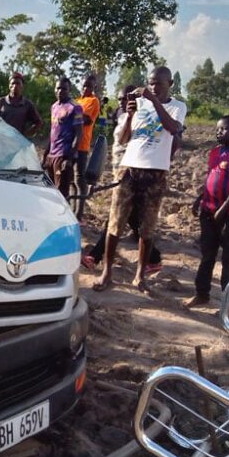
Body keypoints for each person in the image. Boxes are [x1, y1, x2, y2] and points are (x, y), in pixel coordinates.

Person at [94, 66, 186, 291]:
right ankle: (107, 272)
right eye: (151, 82)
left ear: (170, 84)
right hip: (129, 169)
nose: (154, 86)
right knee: (115, 222)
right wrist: (131, 115)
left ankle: (140, 276)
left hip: (155, 173)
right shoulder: (140, 105)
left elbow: (173, 129)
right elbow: (125, 138)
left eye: (159, 83)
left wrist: (153, 100)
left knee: (147, 227)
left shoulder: (177, 106)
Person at [82, 85, 162, 272]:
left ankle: (94, 256)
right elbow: (119, 140)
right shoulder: (123, 117)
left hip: (133, 175)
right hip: (121, 173)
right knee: (132, 219)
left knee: (117, 217)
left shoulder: (144, 120)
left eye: (127, 99)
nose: (122, 103)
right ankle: (154, 258)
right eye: (120, 100)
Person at [186, 115, 229, 307]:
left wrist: (223, 208)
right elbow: (210, 179)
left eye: (224, 129)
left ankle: (227, 303)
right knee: (207, 255)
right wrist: (199, 200)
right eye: (218, 128)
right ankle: (201, 293)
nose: (219, 132)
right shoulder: (215, 153)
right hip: (208, 211)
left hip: (227, 216)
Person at [45, 77, 83, 198]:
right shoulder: (54, 107)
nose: (60, 91)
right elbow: (52, 132)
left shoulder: (75, 108)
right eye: (58, 88)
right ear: (55, 90)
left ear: (69, 90)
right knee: (50, 191)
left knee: (61, 194)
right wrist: (46, 155)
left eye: (64, 89)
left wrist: (69, 158)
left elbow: (78, 134)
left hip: (63, 155)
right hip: (52, 155)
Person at [73, 75, 101, 222]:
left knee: (79, 179)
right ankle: (72, 210)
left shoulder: (93, 101)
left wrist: (69, 115)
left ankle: (79, 213)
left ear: (93, 88)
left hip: (82, 144)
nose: (86, 89)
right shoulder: (77, 101)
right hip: (70, 143)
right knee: (70, 179)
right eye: (84, 86)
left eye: (89, 86)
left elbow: (87, 119)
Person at [0, 72, 43, 137]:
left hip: (18, 143)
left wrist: (25, 136)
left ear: (22, 86)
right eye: (13, 83)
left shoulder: (27, 104)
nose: (15, 86)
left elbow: (38, 122)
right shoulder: (0, 102)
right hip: (1, 140)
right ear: (9, 85)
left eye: (18, 83)